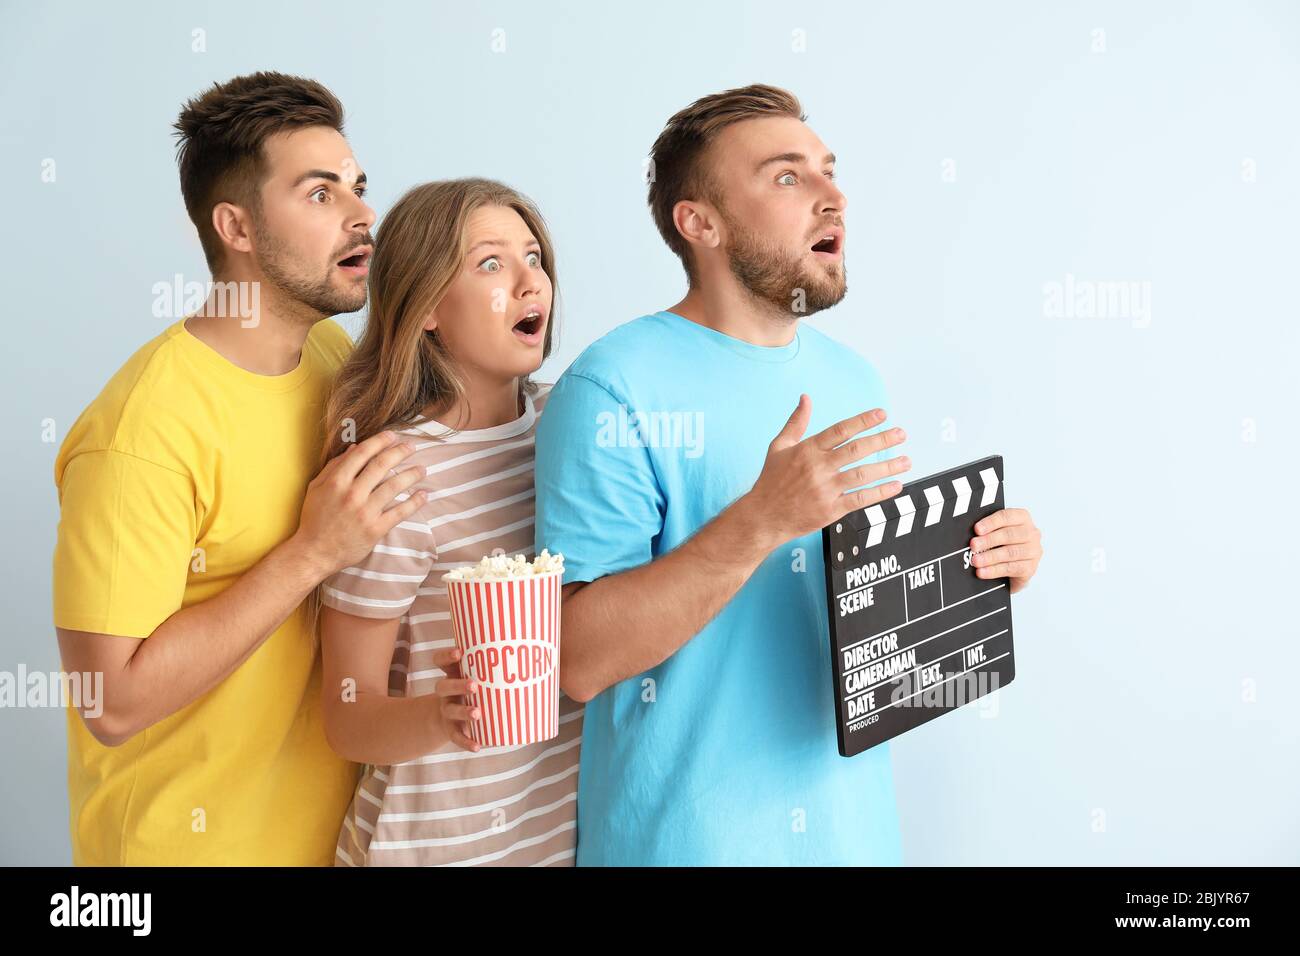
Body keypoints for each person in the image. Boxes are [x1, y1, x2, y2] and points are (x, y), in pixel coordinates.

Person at [534, 84, 1044, 865]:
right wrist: (762, 520)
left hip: (856, 840)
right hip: (683, 844)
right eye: (786, 177)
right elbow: (576, 660)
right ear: (699, 223)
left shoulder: (855, 380)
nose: (832, 195)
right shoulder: (612, 388)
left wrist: (975, 575)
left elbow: (871, 624)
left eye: (828, 171)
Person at [51, 72, 426, 865]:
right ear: (238, 227)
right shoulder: (141, 432)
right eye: (320, 195)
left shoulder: (332, 359)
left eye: (359, 188)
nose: (364, 217)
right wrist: (313, 551)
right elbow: (110, 702)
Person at [317, 179, 582, 867]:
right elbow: (348, 715)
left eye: (534, 256)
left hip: (557, 836)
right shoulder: (397, 477)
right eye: (491, 263)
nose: (531, 281)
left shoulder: (573, 426)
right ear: (428, 307)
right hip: (437, 846)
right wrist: (442, 713)